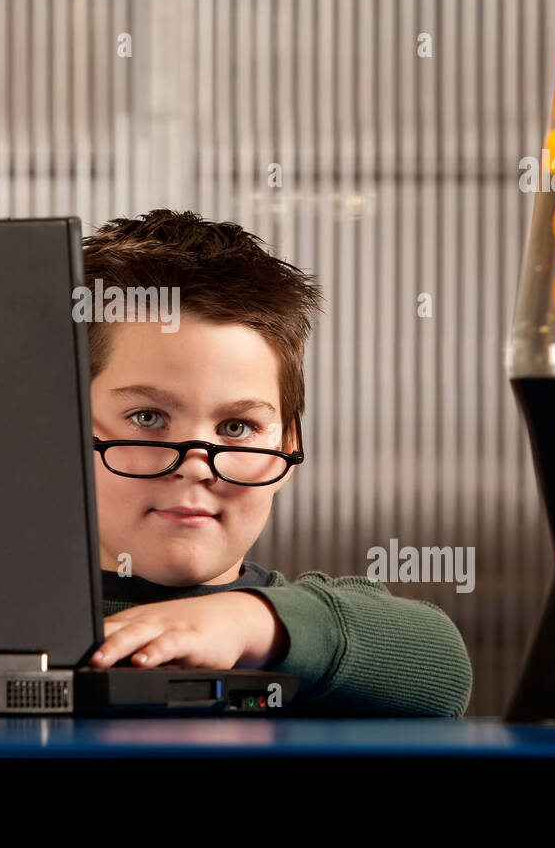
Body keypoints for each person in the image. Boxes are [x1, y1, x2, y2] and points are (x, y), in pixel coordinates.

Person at [82, 210, 472, 715]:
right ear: (61, 430)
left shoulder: (310, 644)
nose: (198, 467)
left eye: (236, 427)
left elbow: (440, 664)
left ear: (287, 446)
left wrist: (248, 623)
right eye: (148, 417)